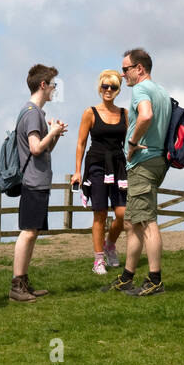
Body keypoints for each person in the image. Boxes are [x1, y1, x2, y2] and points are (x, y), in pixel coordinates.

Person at [100, 47, 172, 296]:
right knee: (132, 222)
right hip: (156, 161)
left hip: (144, 161)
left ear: (139, 69)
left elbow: (146, 116)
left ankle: (155, 281)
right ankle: (127, 278)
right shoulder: (161, 91)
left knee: (147, 222)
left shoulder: (141, 89)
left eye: (126, 69)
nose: (122, 75)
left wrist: (132, 144)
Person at [11, 65, 66, 303]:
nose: (55, 89)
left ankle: (22, 282)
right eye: (53, 84)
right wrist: (51, 132)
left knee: (32, 232)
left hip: (37, 180)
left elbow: (41, 149)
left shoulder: (34, 112)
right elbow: (35, 148)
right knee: (28, 232)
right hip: (34, 181)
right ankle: (17, 285)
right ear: (43, 85)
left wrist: (53, 134)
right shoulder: (33, 113)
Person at [70, 69, 129, 275]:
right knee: (100, 213)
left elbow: (130, 142)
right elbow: (81, 142)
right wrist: (77, 171)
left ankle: (110, 245)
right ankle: (98, 260)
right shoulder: (90, 112)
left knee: (122, 214)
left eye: (113, 87)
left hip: (119, 165)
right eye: (105, 86)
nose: (109, 90)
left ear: (118, 90)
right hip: (96, 164)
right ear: (100, 88)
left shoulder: (124, 113)